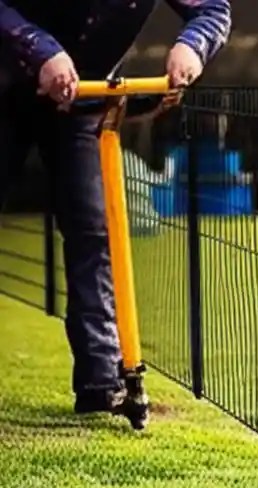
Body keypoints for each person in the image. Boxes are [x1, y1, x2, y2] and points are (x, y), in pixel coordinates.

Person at [0, 1, 231, 413]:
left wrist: (192, 47)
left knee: (93, 231)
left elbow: (212, 9)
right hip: (5, 83)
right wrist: (40, 49)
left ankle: (101, 384)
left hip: (78, 103)